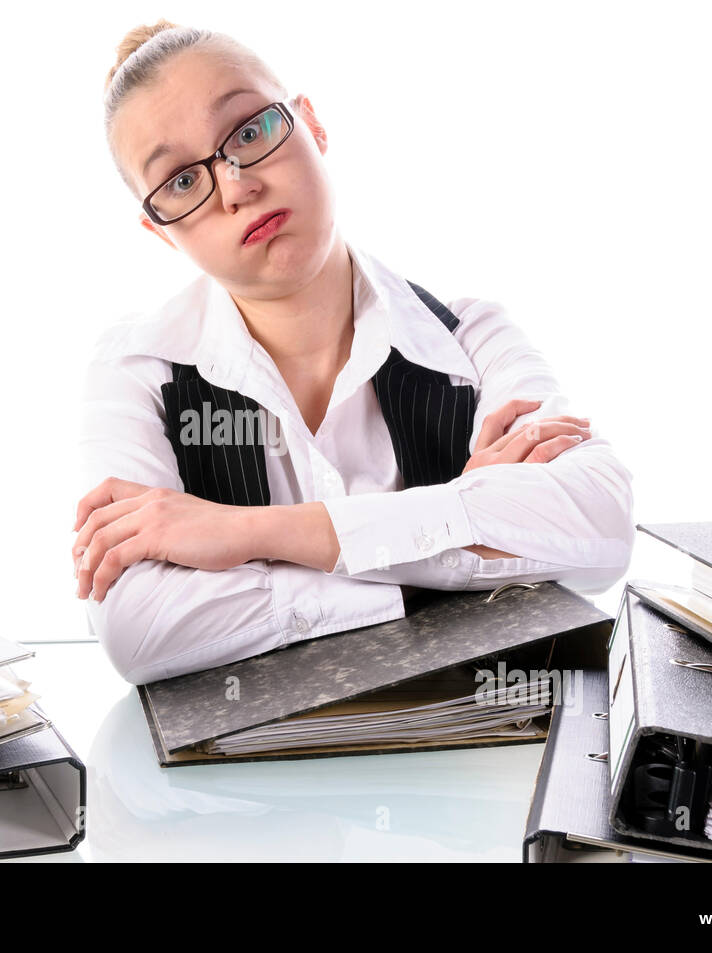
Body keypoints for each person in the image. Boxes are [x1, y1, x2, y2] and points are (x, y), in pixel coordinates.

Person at [73, 20, 634, 684]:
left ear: (311, 124)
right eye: (180, 182)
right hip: (240, 780)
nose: (233, 188)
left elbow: (602, 522)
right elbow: (139, 628)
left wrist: (254, 533)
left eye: (249, 132)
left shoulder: (471, 337)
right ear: (161, 233)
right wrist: (468, 535)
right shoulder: (139, 374)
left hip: (486, 758)